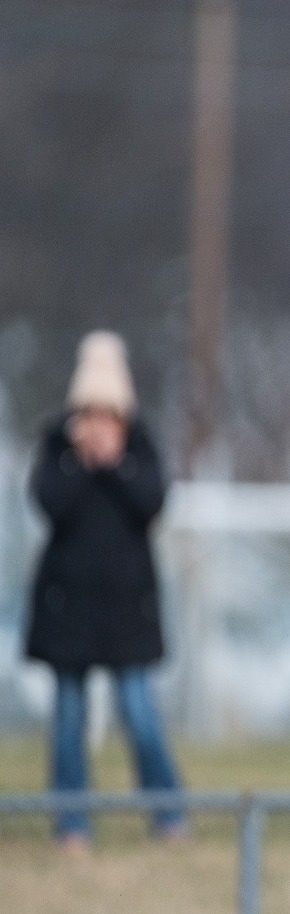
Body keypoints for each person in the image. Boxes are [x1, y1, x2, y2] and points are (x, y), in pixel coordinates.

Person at [25, 330, 187, 856]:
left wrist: (116, 463)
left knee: (140, 714)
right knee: (69, 720)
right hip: (68, 609)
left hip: (125, 612)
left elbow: (153, 502)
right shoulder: (57, 445)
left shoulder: (140, 446)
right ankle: (71, 824)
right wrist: (79, 458)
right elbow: (48, 502)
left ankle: (169, 813)